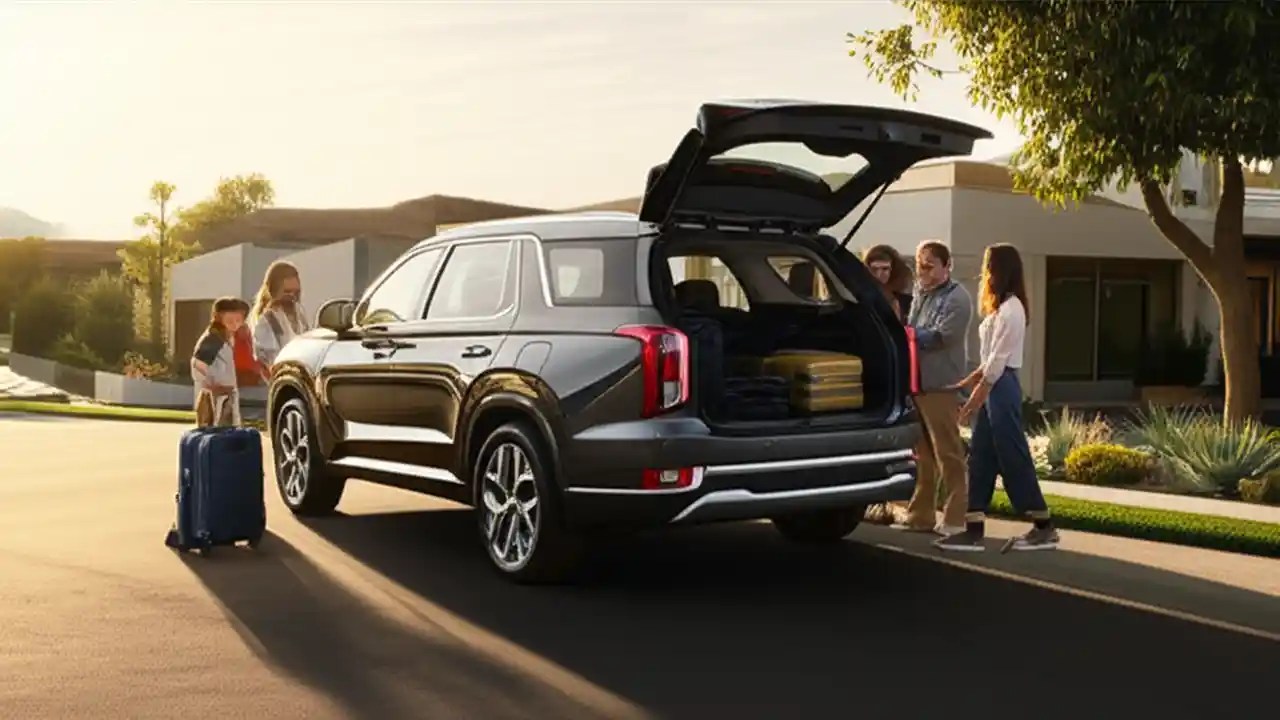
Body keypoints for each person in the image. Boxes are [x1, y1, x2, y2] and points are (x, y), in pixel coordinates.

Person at [935, 243, 1058, 552]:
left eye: (989, 266)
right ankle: (973, 529)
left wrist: (972, 401)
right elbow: (988, 361)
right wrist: (965, 383)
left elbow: (997, 366)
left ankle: (1044, 526)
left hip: (1002, 387)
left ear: (1002, 270)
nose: (985, 272)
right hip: (993, 384)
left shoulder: (1013, 310)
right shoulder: (999, 310)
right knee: (981, 457)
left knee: (1012, 453)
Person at [893, 240, 973, 537]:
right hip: (918, 383)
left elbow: (942, 336)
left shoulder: (957, 297)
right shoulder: (921, 293)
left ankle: (955, 518)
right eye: (919, 265)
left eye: (929, 266)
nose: (922, 271)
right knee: (923, 454)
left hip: (941, 385)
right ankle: (920, 516)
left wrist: (907, 335)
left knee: (948, 452)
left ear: (947, 266)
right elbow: (913, 329)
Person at [191, 297, 251, 427]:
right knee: (218, 430)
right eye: (230, 320)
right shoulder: (213, 339)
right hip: (215, 398)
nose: (235, 324)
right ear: (218, 318)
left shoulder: (227, 338)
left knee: (229, 429)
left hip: (226, 394)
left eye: (238, 320)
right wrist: (211, 387)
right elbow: (198, 365)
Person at [249, 260, 312, 376]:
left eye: (295, 292)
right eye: (287, 292)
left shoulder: (300, 315)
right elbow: (271, 361)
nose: (292, 296)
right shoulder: (268, 321)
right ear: (274, 291)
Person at [863, 244, 913, 320]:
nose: (879, 274)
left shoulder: (907, 302)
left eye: (885, 269)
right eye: (874, 269)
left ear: (893, 270)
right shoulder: (862, 300)